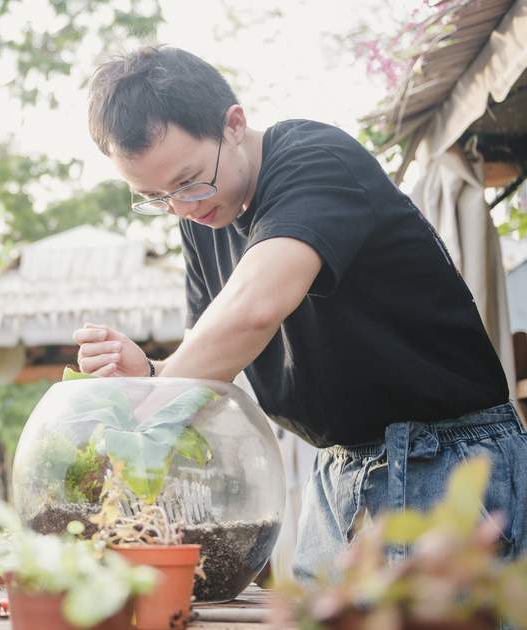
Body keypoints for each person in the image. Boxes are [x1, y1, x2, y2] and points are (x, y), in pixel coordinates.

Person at [72, 45, 527, 581]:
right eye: (155, 196)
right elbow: (209, 358)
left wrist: (153, 397)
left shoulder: (314, 157)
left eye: (189, 180)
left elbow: (257, 306)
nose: (184, 207)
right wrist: (150, 373)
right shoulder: (200, 219)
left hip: (446, 460)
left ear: (234, 124)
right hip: (340, 469)